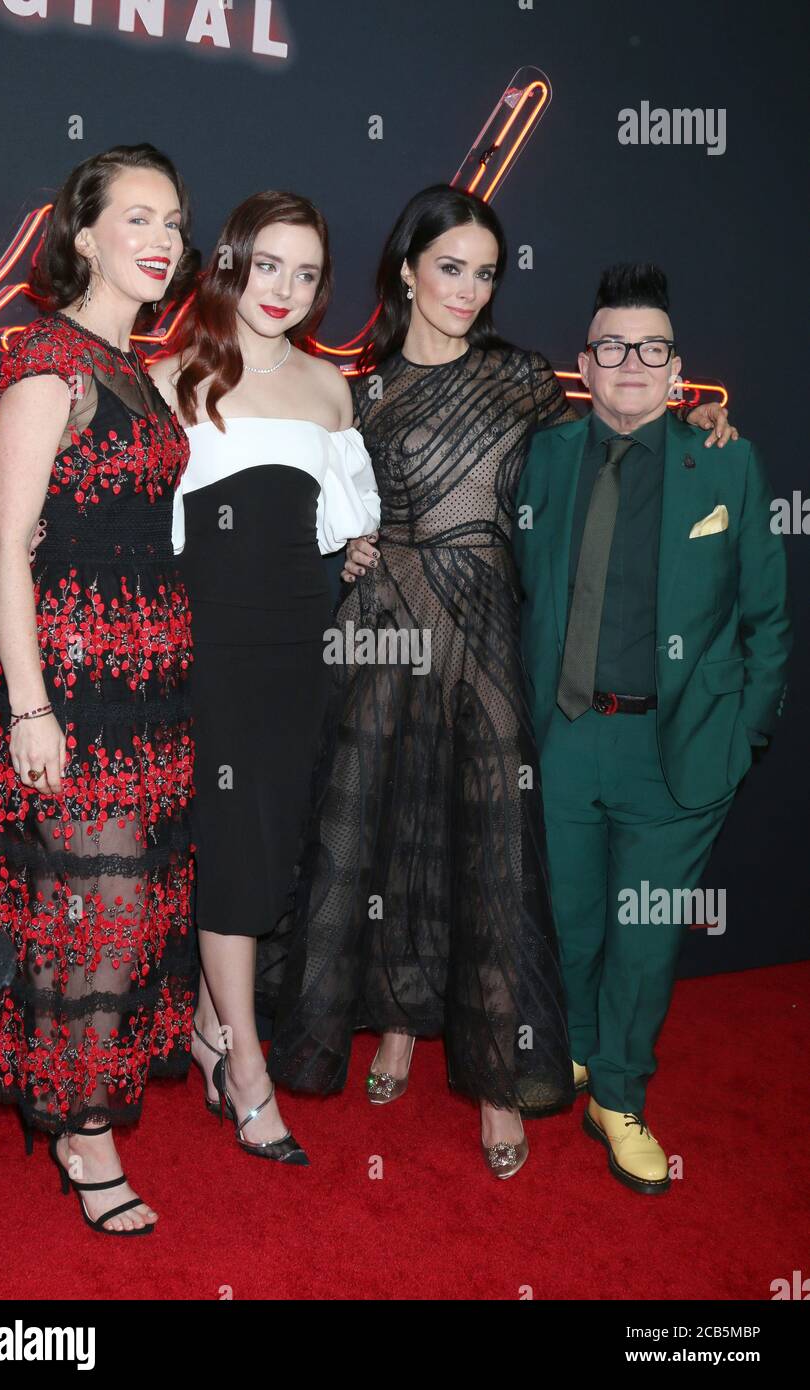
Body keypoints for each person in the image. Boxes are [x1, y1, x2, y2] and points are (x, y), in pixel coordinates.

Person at [258, 187, 735, 1177]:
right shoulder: (364, 386)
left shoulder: (519, 378)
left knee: (488, 851)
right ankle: (391, 1023)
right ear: (405, 271)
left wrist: (702, 430)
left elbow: (606, 438)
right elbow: (329, 497)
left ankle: (494, 1076)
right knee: (385, 836)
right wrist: (347, 547)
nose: (468, 290)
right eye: (450, 268)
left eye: (484, 272)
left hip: (480, 628)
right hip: (383, 629)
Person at [0, 144, 199, 1233]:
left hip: (148, 689)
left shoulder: (139, 367)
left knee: (125, 909)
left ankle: (80, 1108)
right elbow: (6, 544)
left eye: (174, 222)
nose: (161, 240)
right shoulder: (45, 359)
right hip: (68, 685)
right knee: (90, 918)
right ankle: (84, 1130)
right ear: (84, 232)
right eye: (137, 218)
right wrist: (31, 707)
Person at [513, 262, 790, 1194]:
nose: (632, 361)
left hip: (681, 750)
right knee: (576, 925)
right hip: (566, 738)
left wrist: (744, 734)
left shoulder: (727, 461)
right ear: (584, 363)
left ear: (678, 371)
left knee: (645, 940)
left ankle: (621, 1097)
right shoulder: (544, 456)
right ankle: (583, 1054)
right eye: (613, 346)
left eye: (653, 348)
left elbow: (768, 618)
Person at [150, 191, 379, 1165]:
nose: (283, 288)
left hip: (299, 655)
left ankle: (207, 1027)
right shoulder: (173, 376)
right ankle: (247, 1072)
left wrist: (359, 539)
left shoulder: (332, 391)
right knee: (238, 859)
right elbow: (128, 525)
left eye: (306, 272)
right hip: (211, 658)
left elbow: (344, 524)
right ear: (230, 263)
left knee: (270, 850)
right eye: (267, 264)